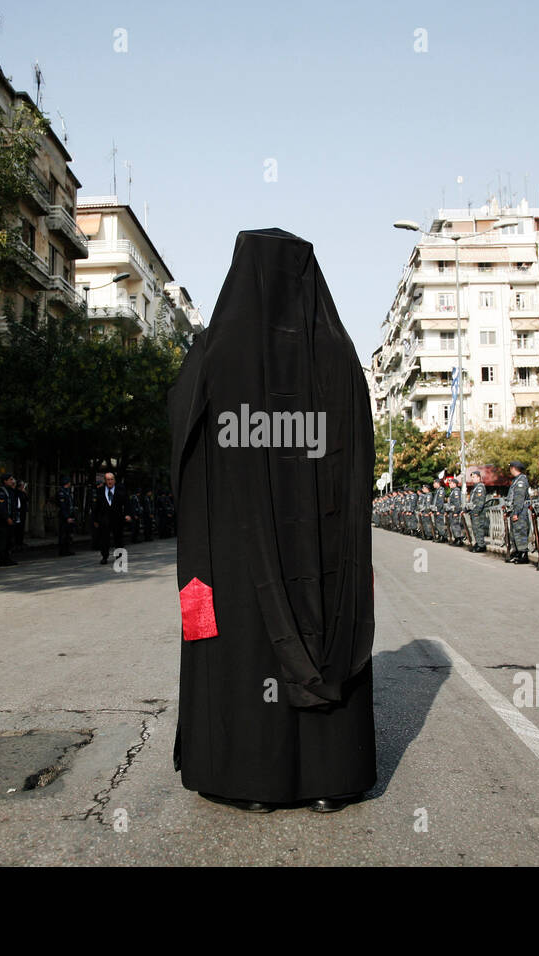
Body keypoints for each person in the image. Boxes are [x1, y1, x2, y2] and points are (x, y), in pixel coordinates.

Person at [168, 227, 374, 813]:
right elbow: (360, 449)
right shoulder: (337, 353)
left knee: (245, 648)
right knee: (324, 631)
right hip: (322, 547)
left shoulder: (215, 350)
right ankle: (330, 782)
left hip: (234, 548)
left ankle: (249, 783)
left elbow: (182, 437)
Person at [92, 471, 129, 564]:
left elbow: (127, 503)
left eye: (112, 479)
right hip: (104, 519)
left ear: (114, 480)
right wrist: (95, 519)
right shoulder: (100, 491)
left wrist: (127, 514)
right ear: (105, 481)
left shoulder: (121, 490)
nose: (110, 481)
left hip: (117, 518)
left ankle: (119, 556)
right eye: (108, 479)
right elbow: (96, 506)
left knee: (118, 538)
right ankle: (104, 556)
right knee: (104, 539)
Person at [504, 461, 531, 563]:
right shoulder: (516, 480)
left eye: (510, 468)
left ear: (514, 468)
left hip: (520, 512)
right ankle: (518, 553)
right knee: (514, 534)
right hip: (514, 511)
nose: (510, 470)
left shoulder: (521, 481)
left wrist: (516, 513)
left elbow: (519, 499)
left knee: (520, 532)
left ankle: (523, 554)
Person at [0, 472, 19, 566]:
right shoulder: (1, 492)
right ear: (5, 481)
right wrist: (7, 518)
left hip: (11, 519)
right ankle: (3, 560)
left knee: (9, 540)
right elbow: (2, 507)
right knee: (3, 541)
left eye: (13, 479)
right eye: (10, 480)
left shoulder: (11, 491)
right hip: (3, 520)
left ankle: (8, 558)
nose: (12, 481)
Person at [465, 471, 487, 552]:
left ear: (478, 477)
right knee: (475, 529)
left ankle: (481, 545)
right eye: (472, 477)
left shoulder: (480, 487)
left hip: (478, 513)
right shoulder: (475, 487)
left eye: (474, 477)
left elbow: (480, 502)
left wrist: (476, 511)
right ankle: (478, 543)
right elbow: (472, 501)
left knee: (479, 529)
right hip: (473, 512)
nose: (472, 479)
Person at [56, 476, 76, 555]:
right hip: (64, 517)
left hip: (69, 515)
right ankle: (62, 550)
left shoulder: (67, 492)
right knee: (63, 534)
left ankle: (67, 550)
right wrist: (67, 517)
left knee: (68, 534)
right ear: (67, 483)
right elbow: (63, 506)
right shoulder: (62, 493)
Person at [13, 480, 29, 551]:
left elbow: (26, 499)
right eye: (22, 485)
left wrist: (25, 492)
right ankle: (17, 543)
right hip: (18, 512)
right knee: (17, 528)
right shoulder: (17, 492)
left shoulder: (23, 492)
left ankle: (20, 542)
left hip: (22, 512)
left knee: (21, 527)